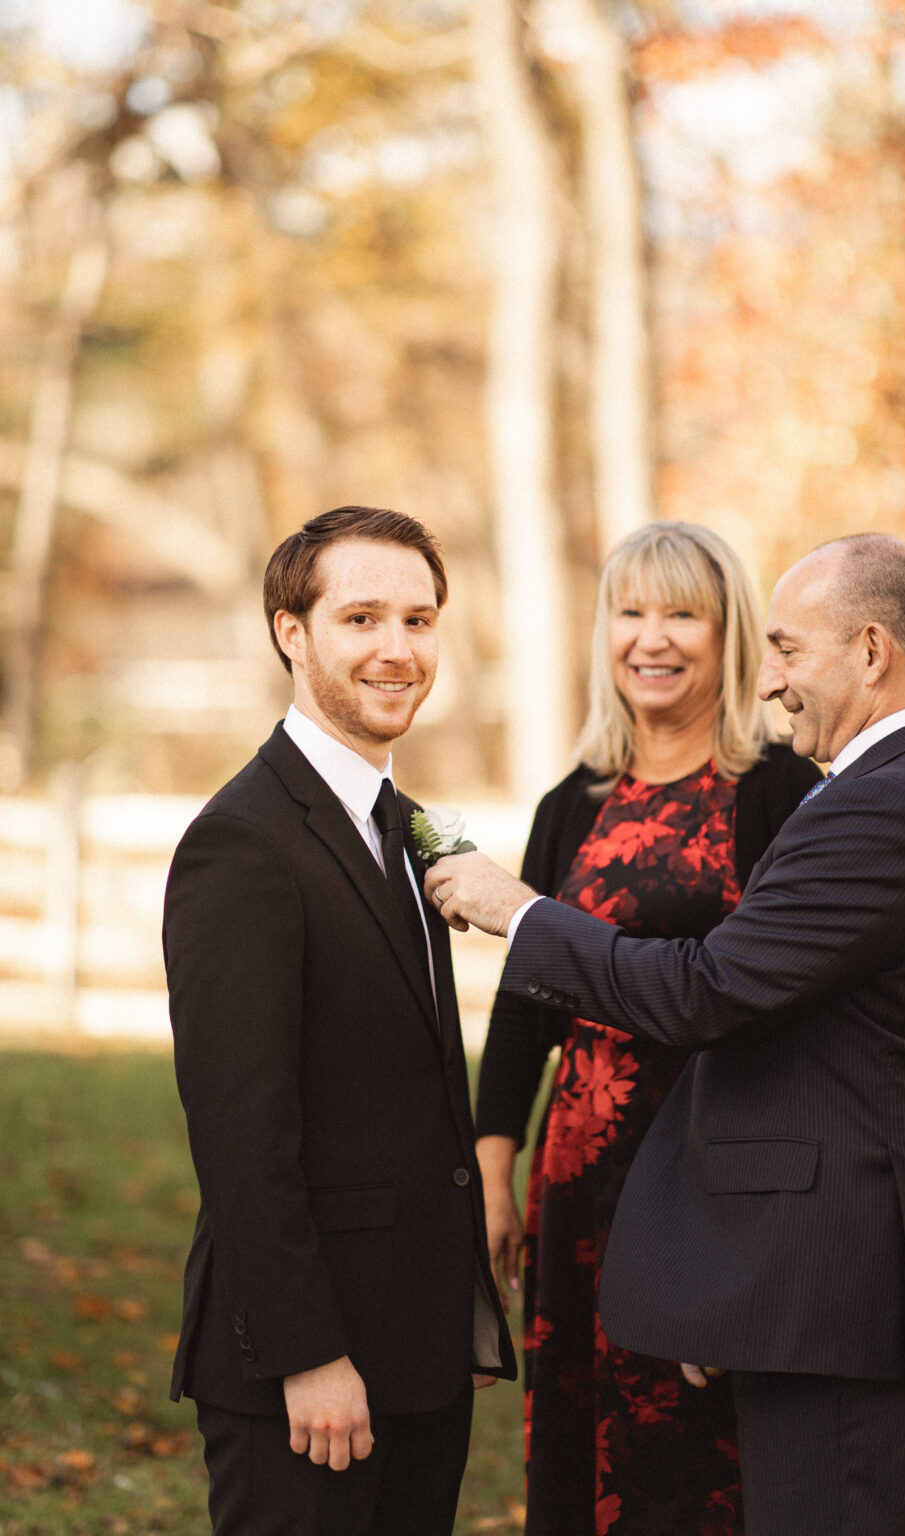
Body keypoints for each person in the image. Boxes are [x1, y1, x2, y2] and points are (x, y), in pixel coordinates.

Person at [425, 534, 905, 1536]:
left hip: (837, 1288)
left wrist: (520, 913)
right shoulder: (890, 790)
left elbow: (710, 992)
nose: (768, 680)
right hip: (792, 1269)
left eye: (786, 649)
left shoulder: (879, 804)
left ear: (871, 652)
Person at [163, 506, 515, 1536]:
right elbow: (239, 1132)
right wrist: (307, 1353)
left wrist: (454, 1311)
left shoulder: (405, 825)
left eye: (418, 620)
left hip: (417, 1346)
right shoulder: (242, 844)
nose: (397, 650)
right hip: (309, 1366)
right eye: (361, 619)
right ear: (292, 632)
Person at [474, 522, 819, 1535]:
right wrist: (493, 1173)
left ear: (729, 634)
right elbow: (524, 1003)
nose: (651, 637)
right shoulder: (571, 803)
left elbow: (795, 1004)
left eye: (682, 614)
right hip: (577, 1181)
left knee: (692, 1452)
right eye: (630, 611)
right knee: (579, 1440)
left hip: (712, 1171)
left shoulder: (778, 792)